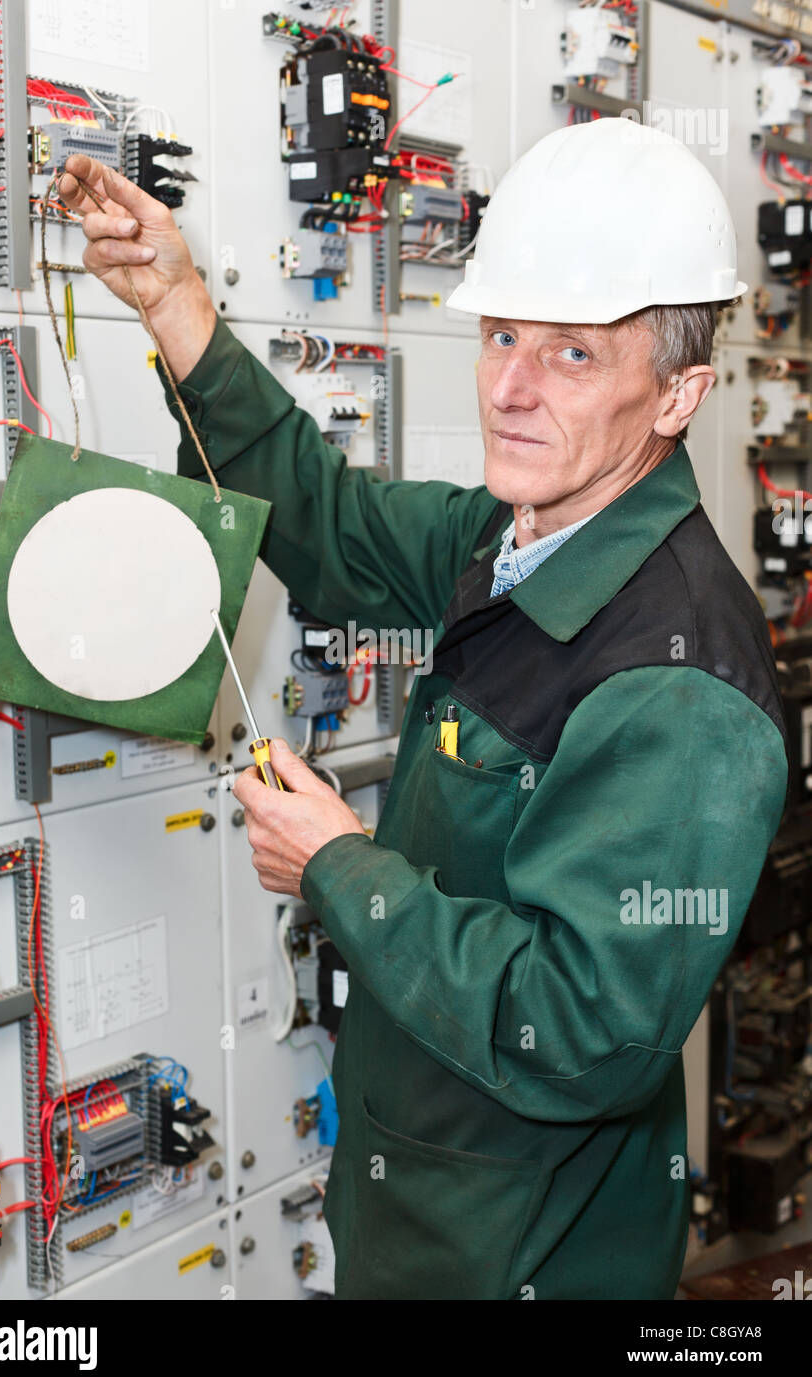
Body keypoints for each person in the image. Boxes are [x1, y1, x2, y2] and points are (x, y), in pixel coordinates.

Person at [61, 118, 787, 1301]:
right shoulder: (516, 541)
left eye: (570, 355)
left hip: (521, 1254)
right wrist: (175, 301)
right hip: (425, 1211)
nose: (506, 386)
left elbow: (581, 1030)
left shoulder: (678, 681)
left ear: (678, 394)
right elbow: (323, 523)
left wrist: (340, 866)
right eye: (500, 334)